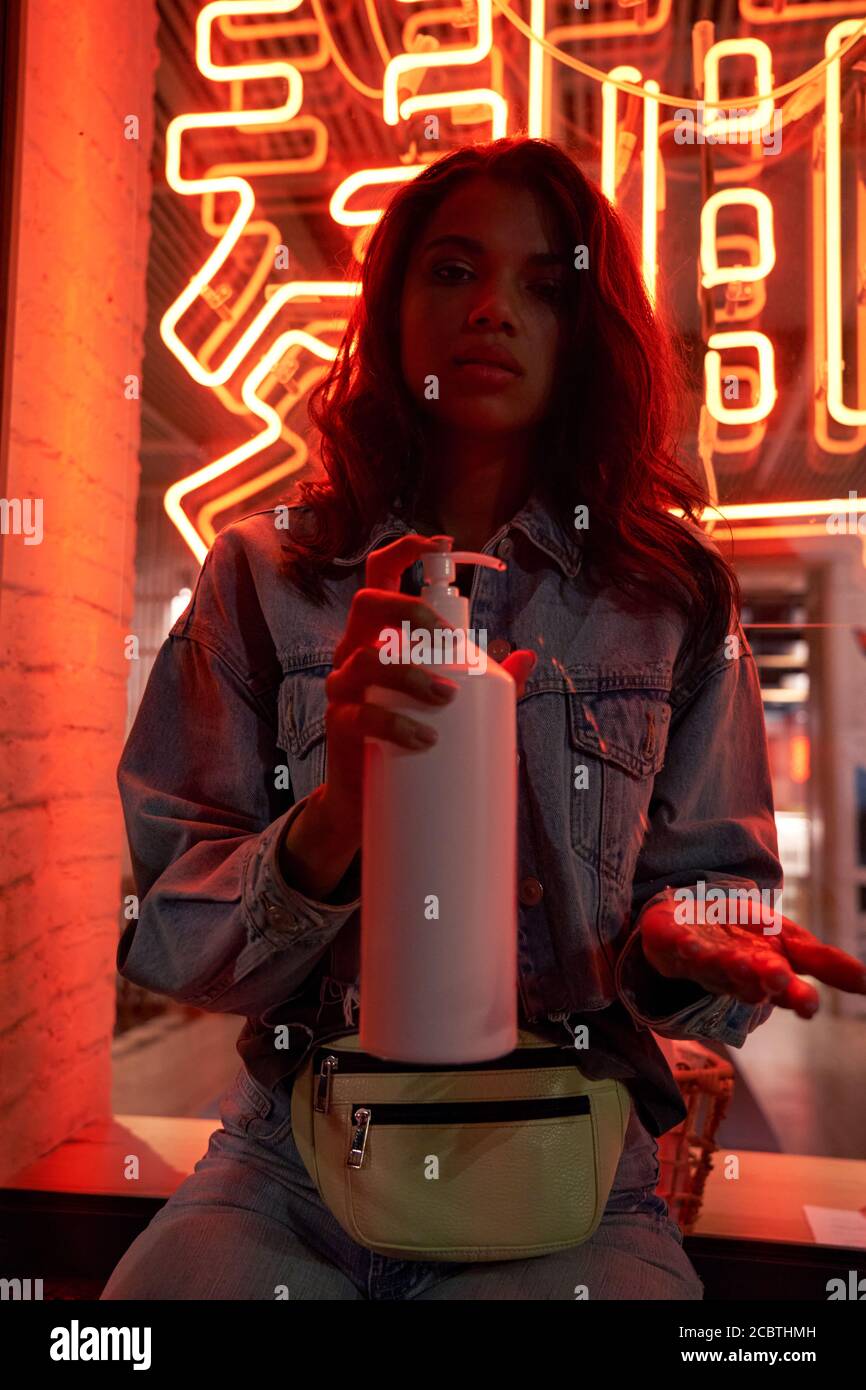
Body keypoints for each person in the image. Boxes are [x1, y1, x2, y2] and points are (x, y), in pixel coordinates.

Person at [101, 136, 866, 1301]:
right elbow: (167, 929)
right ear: (392, 304)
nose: (493, 312)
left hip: (565, 1153)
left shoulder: (667, 597)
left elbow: (716, 903)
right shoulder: (265, 575)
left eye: (542, 286)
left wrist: (672, 947)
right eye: (452, 271)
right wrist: (335, 814)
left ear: (587, 327)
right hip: (292, 1158)